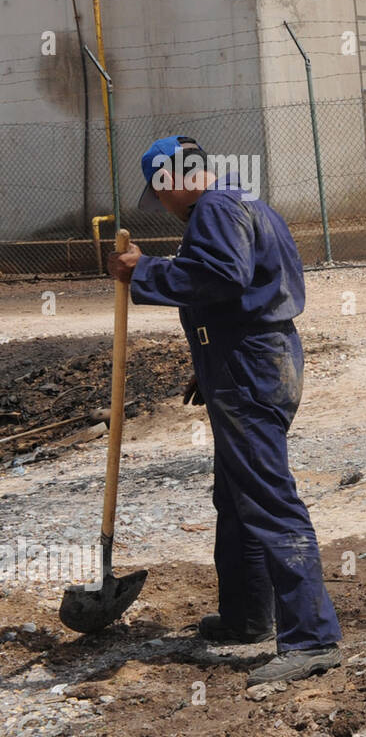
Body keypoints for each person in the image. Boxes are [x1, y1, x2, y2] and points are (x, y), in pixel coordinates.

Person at [107, 135, 342, 686]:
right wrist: (207, 358)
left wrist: (142, 270)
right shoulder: (248, 204)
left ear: (171, 179)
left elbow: (219, 276)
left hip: (249, 366)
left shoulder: (212, 209)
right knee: (238, 495)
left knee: (266, 497)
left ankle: (312, 639)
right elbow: (244, 292)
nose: (162, 206)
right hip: (256, 358)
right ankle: (246, 616)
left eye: (159, 193)